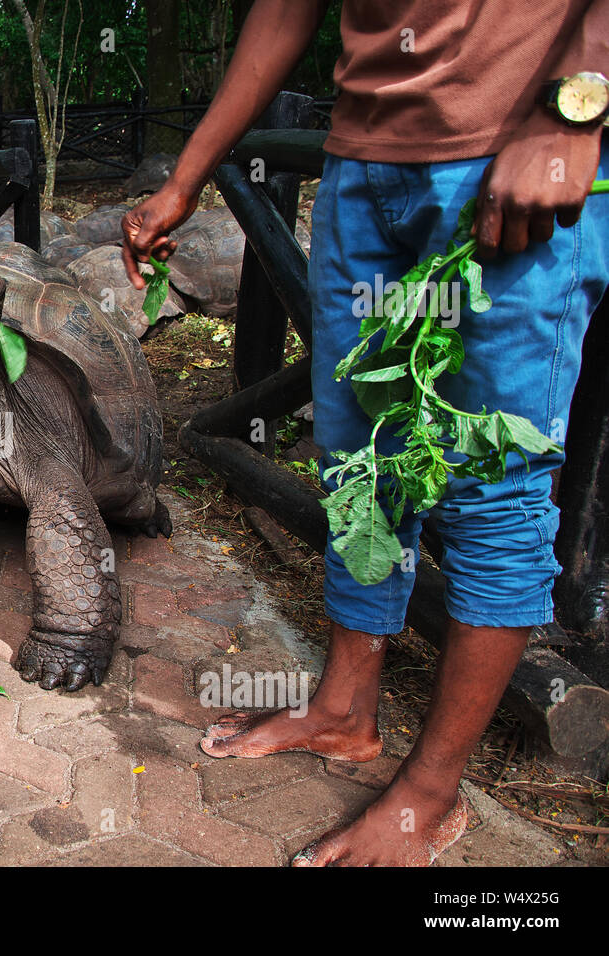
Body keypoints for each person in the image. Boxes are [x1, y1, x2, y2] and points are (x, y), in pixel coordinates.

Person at [123, 0, 608, 866]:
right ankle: (346, 713)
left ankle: (432, 793)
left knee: (492, 482)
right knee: (359, 465)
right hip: (362, 172)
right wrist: (186, 177)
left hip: (511, 162)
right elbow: (285, 9)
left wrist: (574, 103)